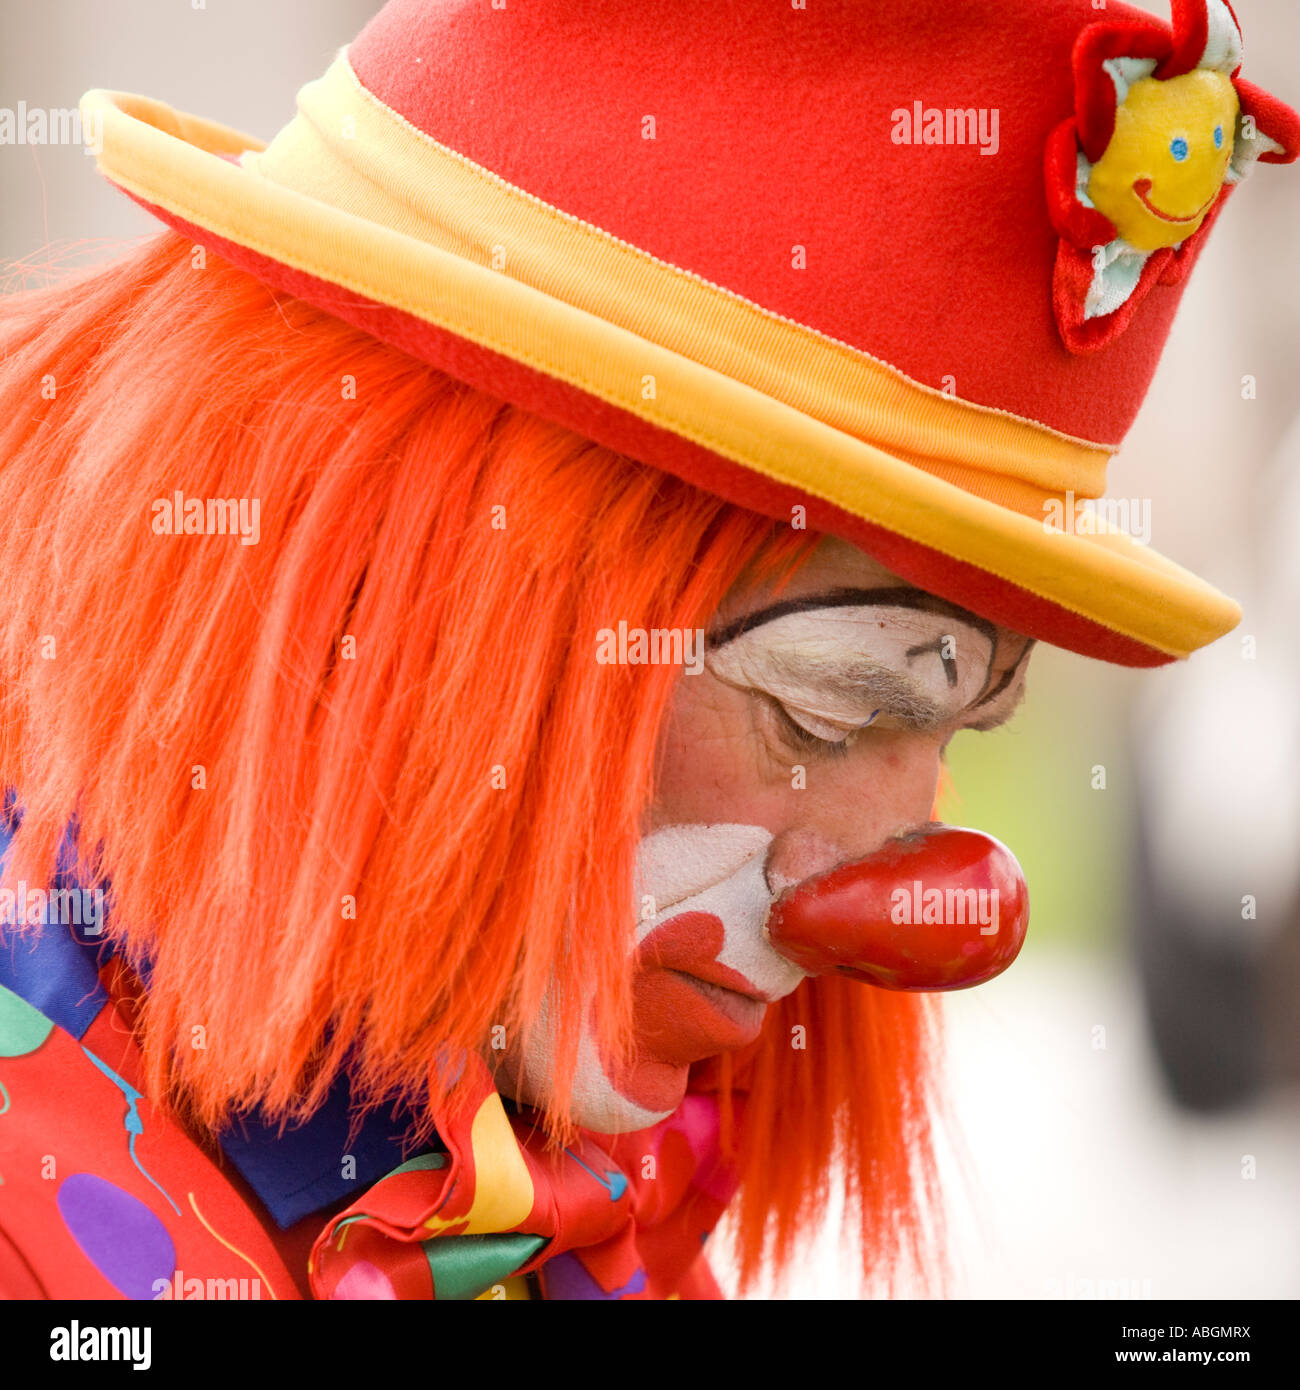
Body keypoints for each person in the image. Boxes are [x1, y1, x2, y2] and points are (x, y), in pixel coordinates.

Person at [0, 0, 1293, 1300]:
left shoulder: (599, 1197)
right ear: (414, 586)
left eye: (954, 728)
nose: (899, 902)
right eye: (828, 714)